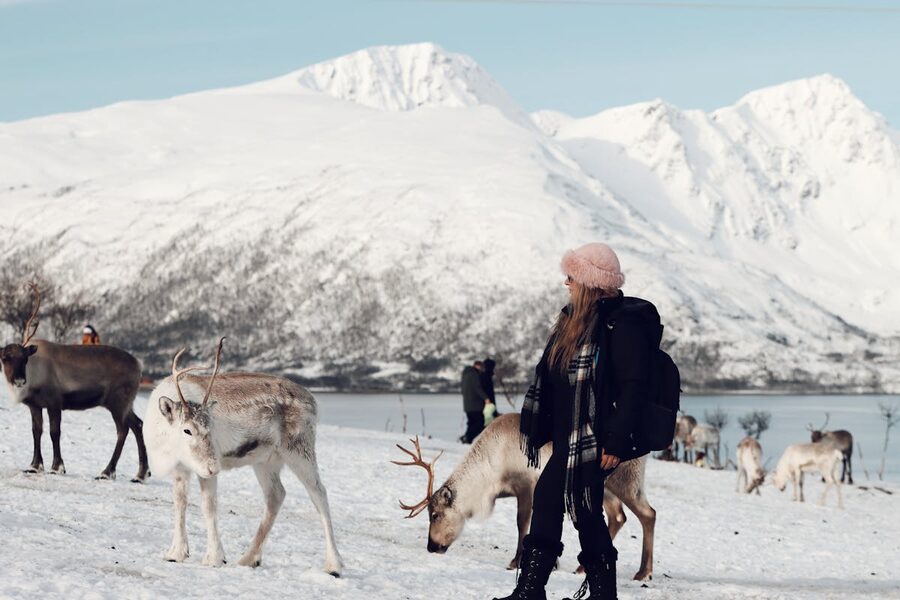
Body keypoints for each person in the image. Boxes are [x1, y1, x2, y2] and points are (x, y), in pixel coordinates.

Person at [494, 243, 651, 600]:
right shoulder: (570, 321)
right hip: (569, 439)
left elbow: (633, 389)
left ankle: (537, 590)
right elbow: (552, 376)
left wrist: (616, 443)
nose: (566, 283)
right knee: (575, 509)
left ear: (592, 282)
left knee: (565, 505)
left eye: (572, 276)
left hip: (596, 441)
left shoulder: (620, 326)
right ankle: (548, 591)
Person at [460, 361, 491, 443]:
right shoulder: (474, 374)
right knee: (479, 424)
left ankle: (466, 438)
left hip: (467, 405)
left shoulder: (465, 374)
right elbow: (477, 388)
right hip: (475, 405)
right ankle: (467, 438)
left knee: (471, 424)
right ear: (478, 366)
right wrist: (486, 398)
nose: (482, 370)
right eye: (481, 367)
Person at [482, 358, 500, 426]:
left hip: (486, 406)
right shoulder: (487, 377)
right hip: (487, 407)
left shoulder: (484, 376)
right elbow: (490, 395)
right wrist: (494, 411)